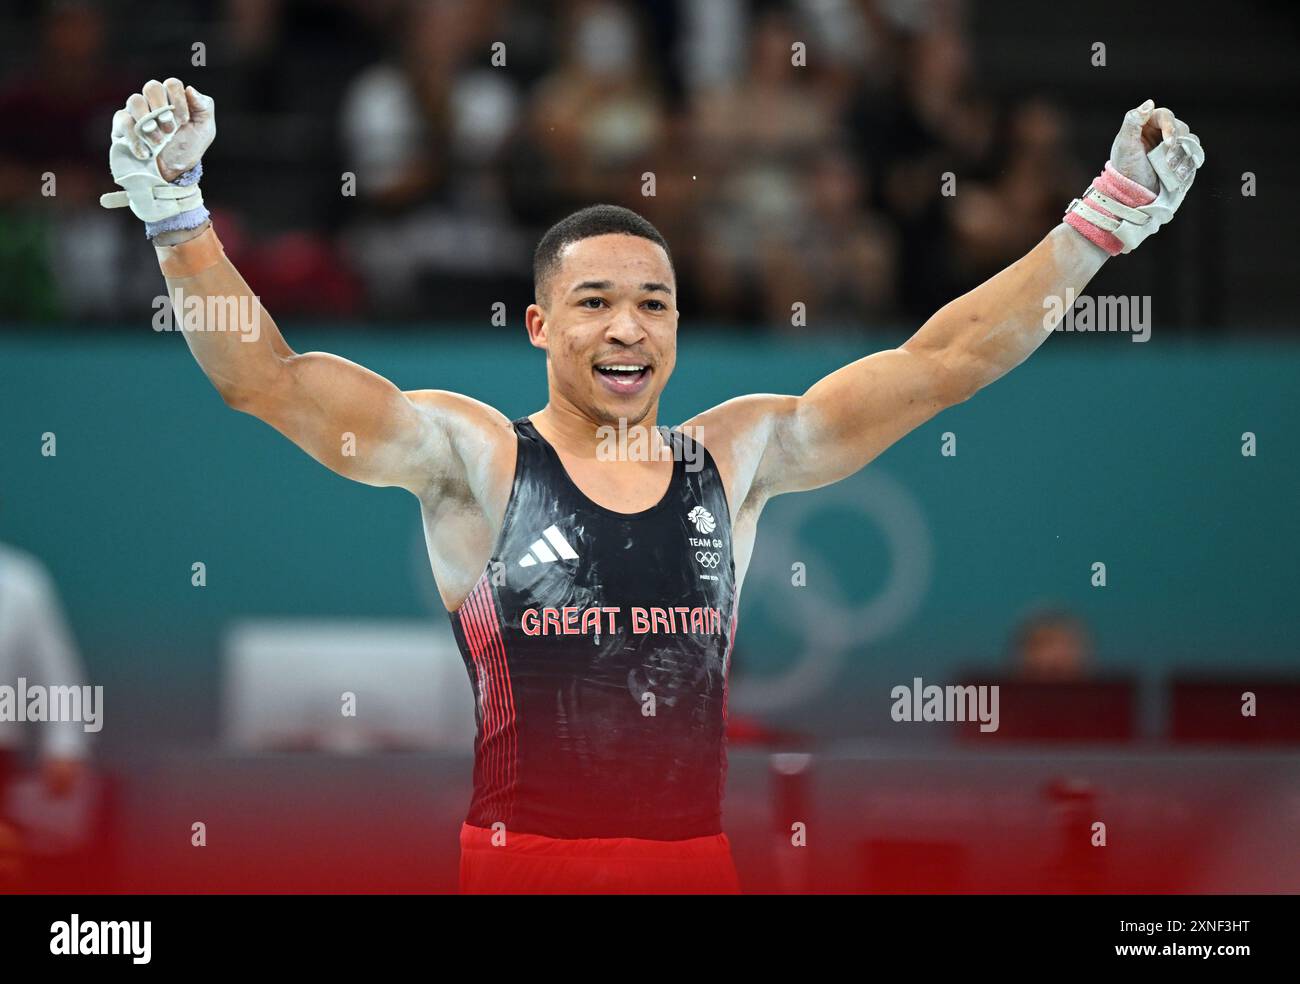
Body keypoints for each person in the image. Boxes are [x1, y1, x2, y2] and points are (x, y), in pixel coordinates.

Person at [101, 78, 1203, 893]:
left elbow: (943, 363)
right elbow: (268, 383)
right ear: (538, 325)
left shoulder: (738, 457)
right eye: (592, 303)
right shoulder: (472, 459)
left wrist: (1099, 220)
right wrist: (175, 219)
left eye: (653, 303)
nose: (625, 326)